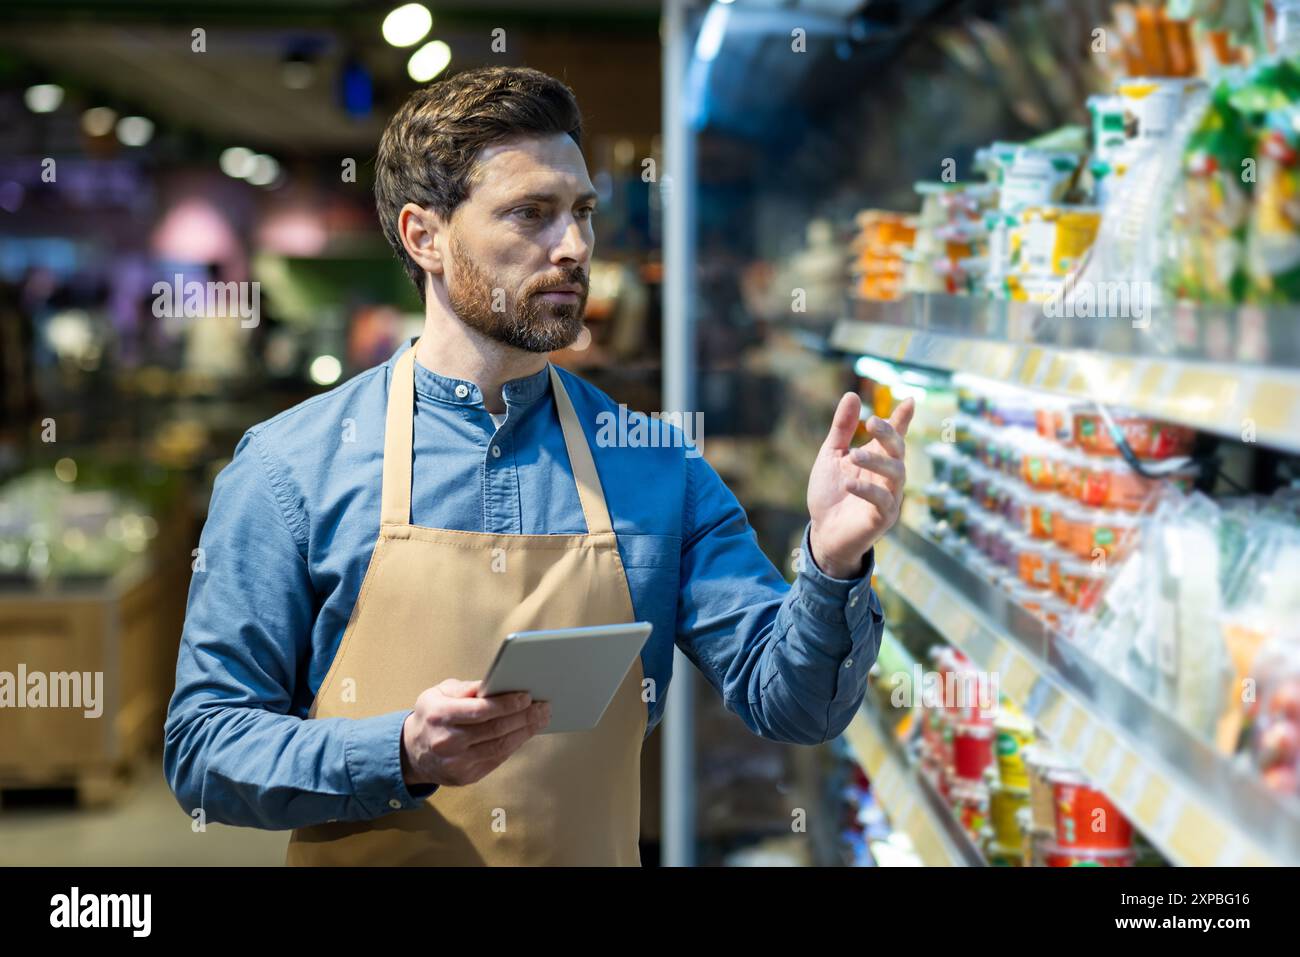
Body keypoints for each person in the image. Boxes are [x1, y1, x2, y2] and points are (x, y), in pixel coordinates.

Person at [163, 66, 913, 866]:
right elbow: (205, 745)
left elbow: (793, 705)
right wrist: (401, 752)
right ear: (426, 237)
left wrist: (833, 565)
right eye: (532, 214)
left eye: (583, 213)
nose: (575, 247)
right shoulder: (291, 467)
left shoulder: (654, 468)